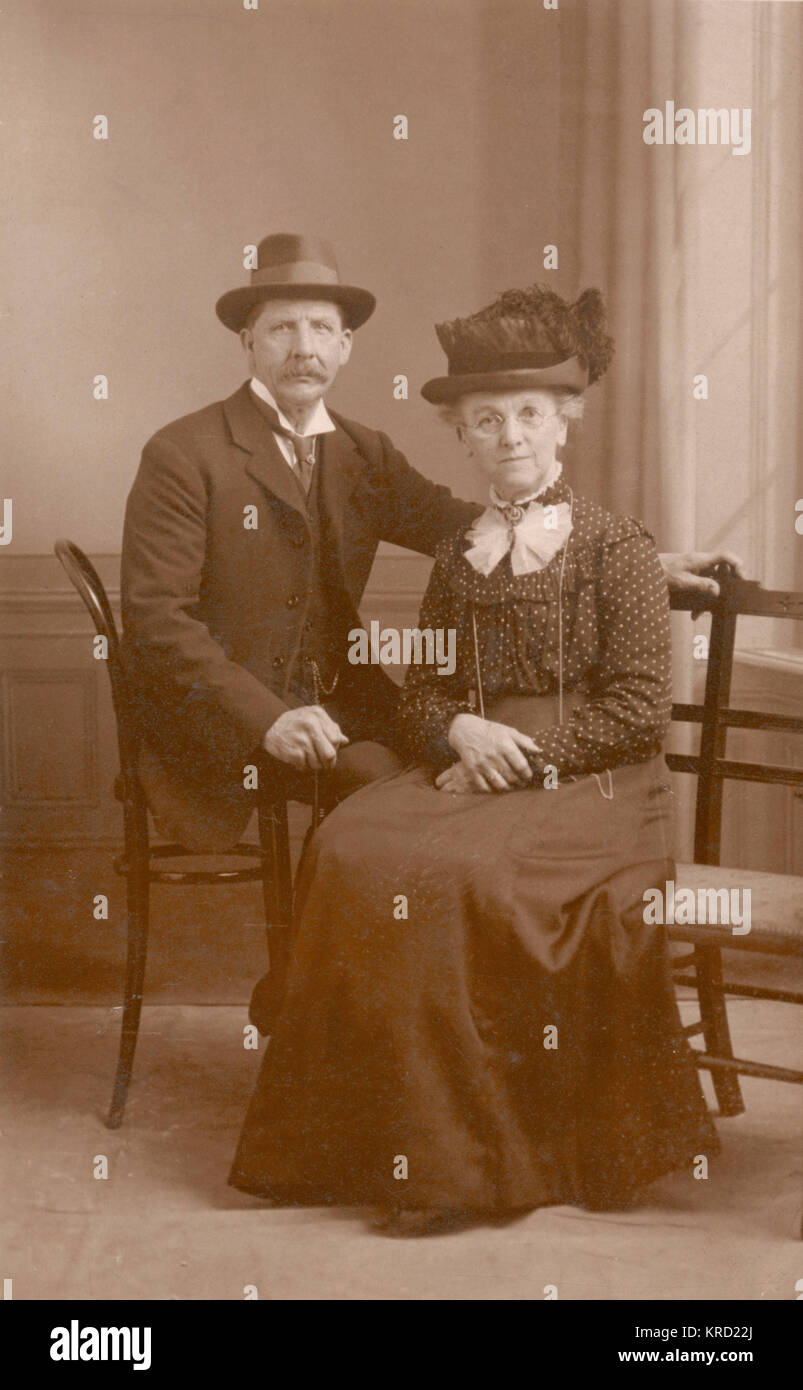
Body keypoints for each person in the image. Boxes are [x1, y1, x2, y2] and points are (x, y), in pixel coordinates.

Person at [229, 283, 719, 1234]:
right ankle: (358, 1146)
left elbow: (635, 713)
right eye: (486, 421)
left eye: (528, 415)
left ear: (564, 422)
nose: (509, 437)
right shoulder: (459, 553)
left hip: (597, 784)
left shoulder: (615, 547)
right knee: (352, 845)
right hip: (476, 763)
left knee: (464, 874)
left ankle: (472, 1160)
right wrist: (459, 733)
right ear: (462, 436)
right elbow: (426, 690)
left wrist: (525, 757)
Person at [121, 232, 741, 860]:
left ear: (345, 345)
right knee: (391, 807)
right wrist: (269, 718)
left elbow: (473, 526)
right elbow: (156, 623)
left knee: (430, 791)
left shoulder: (363, 454)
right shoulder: (184, 453)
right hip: (228, 722)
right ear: (248, 341)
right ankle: (327, 952)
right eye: (282, 328)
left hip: (344, 712)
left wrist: (624, 559)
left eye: (320, 328)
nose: (303, 348)